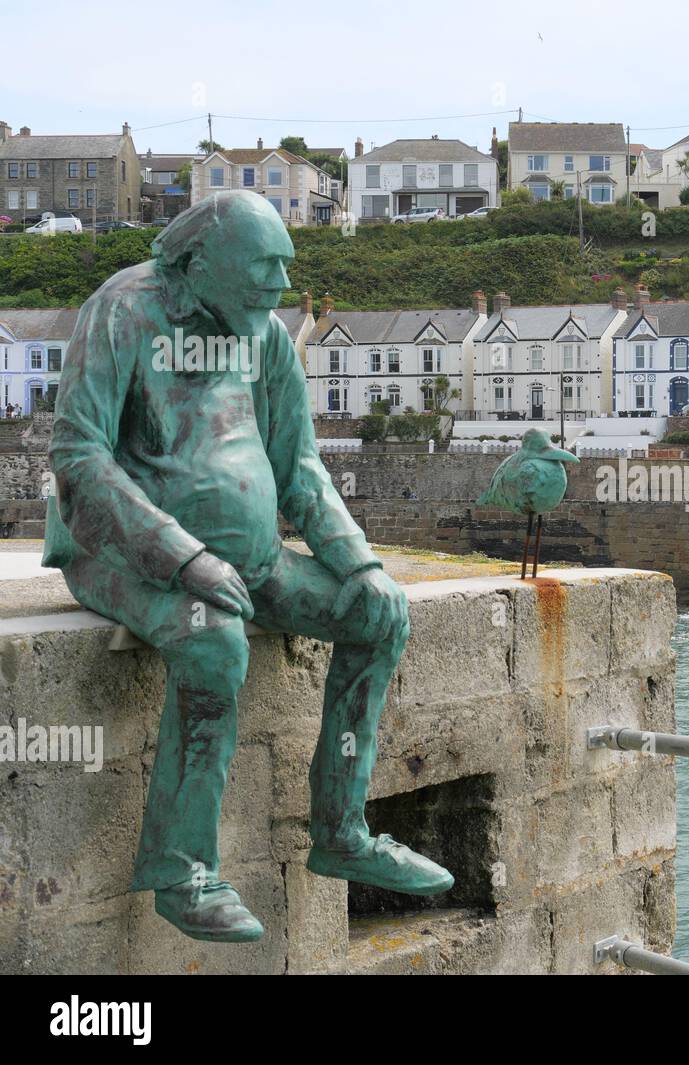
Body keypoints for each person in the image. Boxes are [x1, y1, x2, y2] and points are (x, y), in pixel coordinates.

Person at [43, 190, 451, 943]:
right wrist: (184, 557)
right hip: (126, 559)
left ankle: (341, 829)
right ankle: (179, 867)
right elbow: (78, 455)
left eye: (285, 269)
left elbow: (298, 462)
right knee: (214, 640)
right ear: (201, 263)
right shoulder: (123, 312)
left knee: (379, 612)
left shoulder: (259, 331)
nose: (280, 286)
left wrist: (356, 562)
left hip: (252, 561)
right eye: (265, 267)